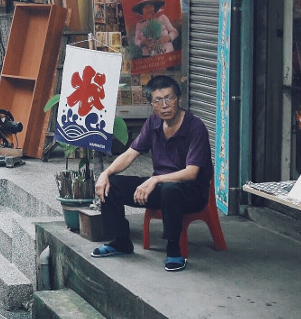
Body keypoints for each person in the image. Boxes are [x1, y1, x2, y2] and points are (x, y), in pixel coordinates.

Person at [91, 75, 213, 272]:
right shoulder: (153, 123)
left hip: (191, 193)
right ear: (151, 104)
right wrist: (106, 172)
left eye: (169, 98)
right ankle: (121, 241)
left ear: (179, 100)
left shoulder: (195, 126)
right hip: (160, 188)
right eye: (158, 100)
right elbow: (131, 154)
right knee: (112, 184)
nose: (164, 105)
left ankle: (174, 250)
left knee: (170, 189)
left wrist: (155, 179)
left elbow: (191, 173)